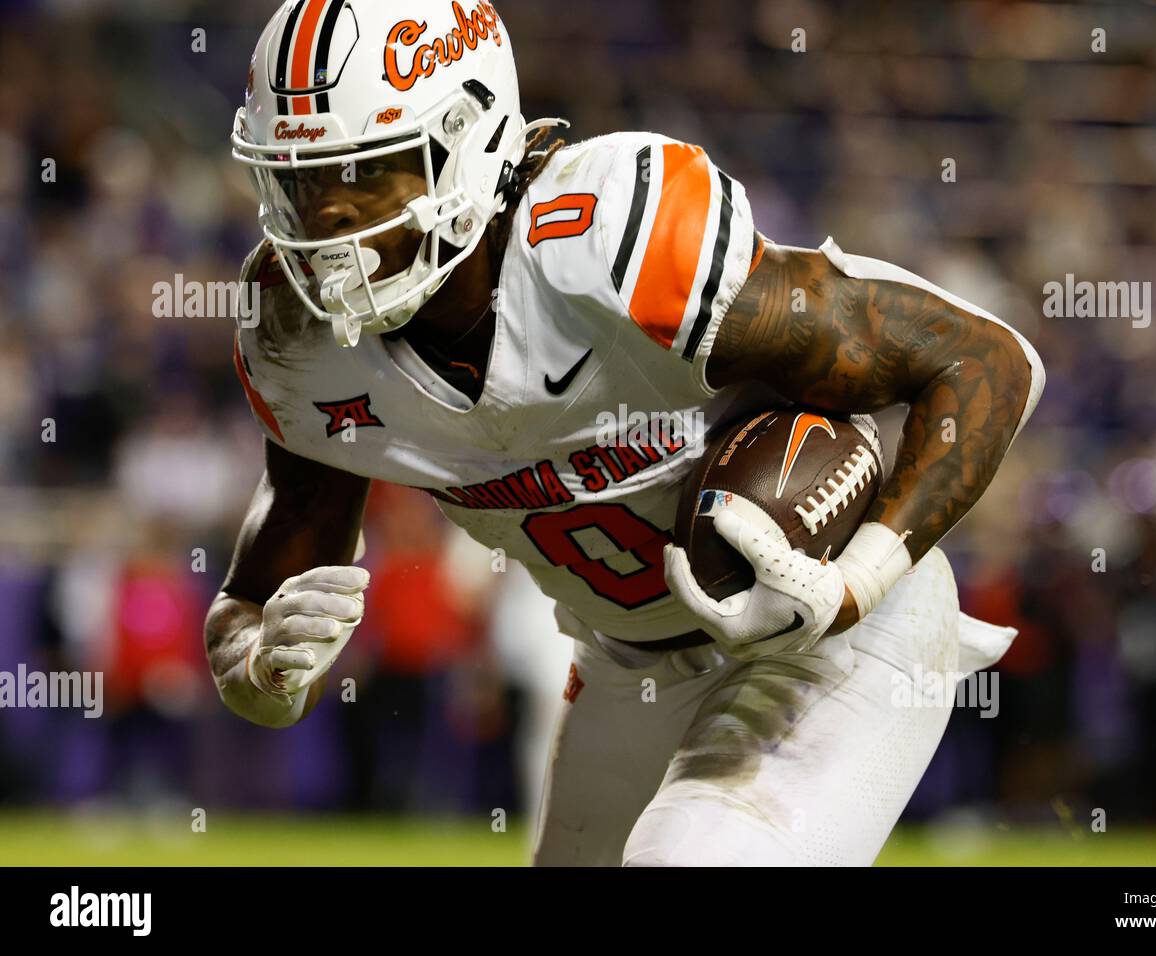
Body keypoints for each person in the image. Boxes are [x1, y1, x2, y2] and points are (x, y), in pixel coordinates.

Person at [205, 0, 1044, 865]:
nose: (329, 222)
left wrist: (857, 584)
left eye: (365, 173)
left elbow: (985, 360)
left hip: (830, 635)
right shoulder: (296, 337)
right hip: (625, 664)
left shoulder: (608, 239)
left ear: (468, 143)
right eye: (303, 183)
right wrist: (264, 669)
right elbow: (249, 601)